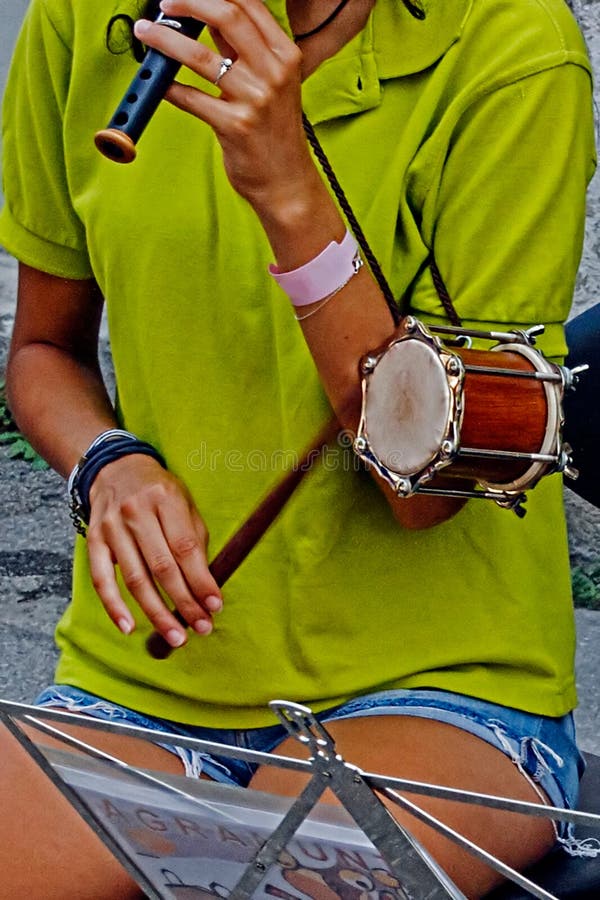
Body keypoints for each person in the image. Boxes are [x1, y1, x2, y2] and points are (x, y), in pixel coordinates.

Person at [0, 0, 595, 896]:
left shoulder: (515, 48)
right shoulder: (86, 21)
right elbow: (44, 350)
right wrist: (106, 459)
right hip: (136, 686)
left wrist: (290, 194)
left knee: (269, 887)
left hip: (437, 685)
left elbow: (428, 492)